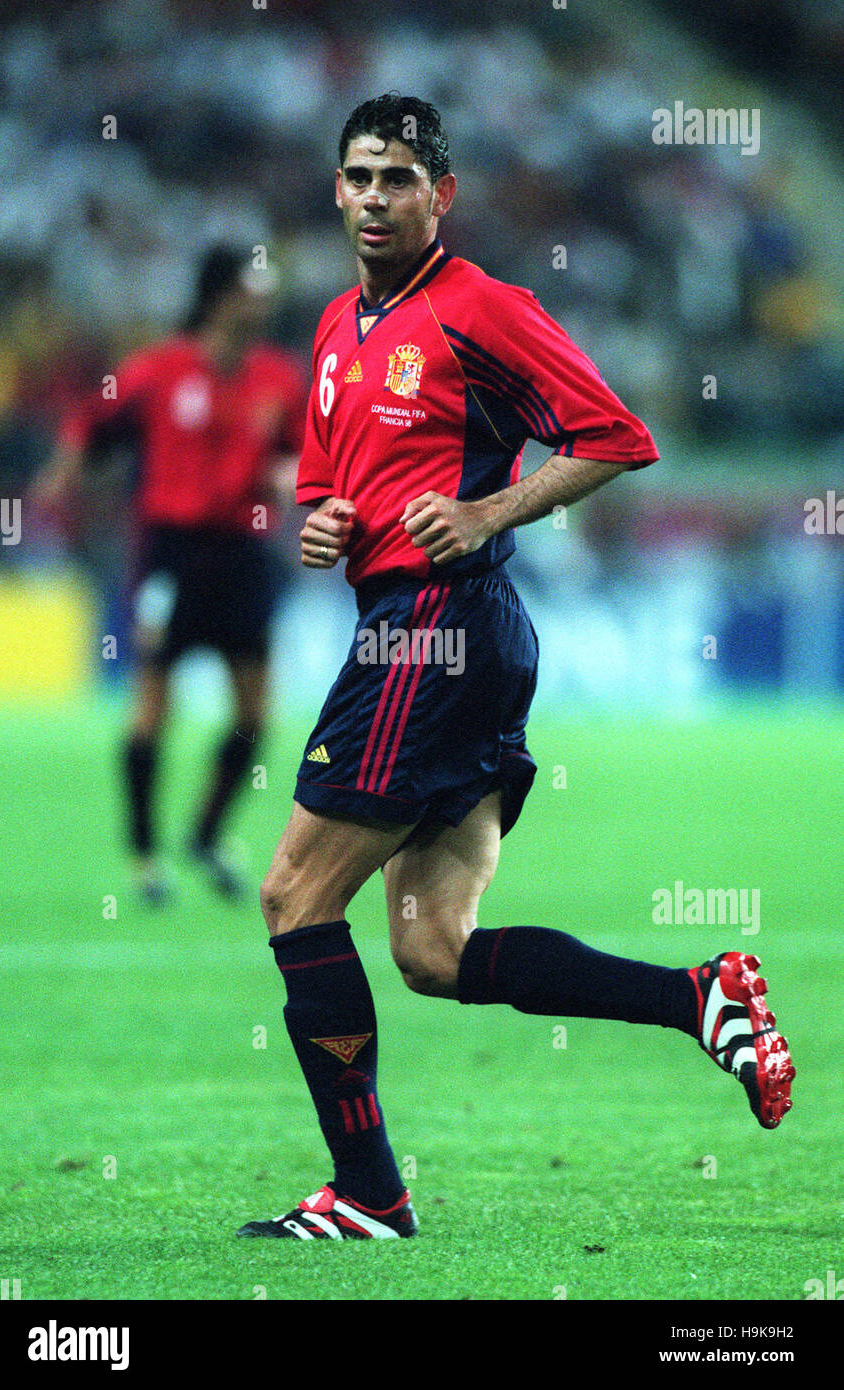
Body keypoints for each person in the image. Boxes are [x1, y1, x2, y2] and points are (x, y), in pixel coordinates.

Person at [236, 96, 794, 1241]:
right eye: (358, 176)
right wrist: (327, 523)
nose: (376, 196)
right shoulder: (336, 328)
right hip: (429, 631)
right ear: (334, 190)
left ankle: (370, 1196)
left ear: (440, 193)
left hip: (435, 631)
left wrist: (490, 507)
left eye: (399, 178)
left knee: (293, 896)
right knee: (430, 953)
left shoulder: (481, 308)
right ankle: (700, 997)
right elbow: (329, 484)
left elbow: (615, 435)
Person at [33, 246, 307, 903]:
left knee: (254, 713)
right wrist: (63, 473)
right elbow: (90, 422)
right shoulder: (158, 369)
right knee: (153, 702)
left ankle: (207, 835)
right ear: (217, 297)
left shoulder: (280, 377)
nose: (263, 303)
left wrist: (291, 479)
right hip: (170, 555)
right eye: (252, 290)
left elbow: (297, 454)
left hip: (243, 556)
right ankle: (144, 855)